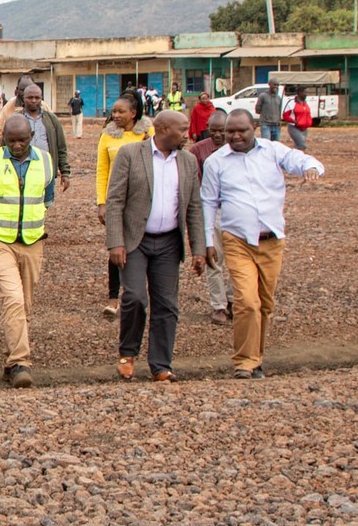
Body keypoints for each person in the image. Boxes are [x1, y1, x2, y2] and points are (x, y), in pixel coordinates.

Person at [199, 108, 324, 378]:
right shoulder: (216, 162)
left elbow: (298, 159)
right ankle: (244, 362)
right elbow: (208, 203)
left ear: (254, 127)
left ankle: (257, 357)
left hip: (271, 240)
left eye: (240, 130)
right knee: (246, 301)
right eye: (229, 131)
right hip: (237, 240)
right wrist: (208, 241)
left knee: (265, 304)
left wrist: (312, 168)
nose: (234, 136)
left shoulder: (272, 151)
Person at [106, 109, 205, 383]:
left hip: (169, 243)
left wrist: (198, 249)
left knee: (167, 304)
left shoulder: (187, 161)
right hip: (135, 241)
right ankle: (127, 353)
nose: (187, 134)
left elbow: (194, 208)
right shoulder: (130, 155)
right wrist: (115, 241)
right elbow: (114, 200)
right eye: (182, 129)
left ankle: (161, 365)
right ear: (163, 130)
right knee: (135, 297)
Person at [0, 113, 54, 387]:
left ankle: (11, 361)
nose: (17, 145)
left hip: (33, 242)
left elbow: (47, 197)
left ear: (31, 137)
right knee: (14, 299)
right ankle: (22, 362)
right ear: (3, 139)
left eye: (22, 140)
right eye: (11, 141)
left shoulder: (45, 161)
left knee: (26, 304)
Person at [94, 94, 152, 318]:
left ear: (134, 113)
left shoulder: (147, 134)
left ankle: (138, 295)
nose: (116, 115)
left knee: (142, 246)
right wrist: (102, 202)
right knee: (115, 247)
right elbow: (102, 170)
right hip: (116, 202)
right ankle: (113, 299)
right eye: (114, 112)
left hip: (142, 201)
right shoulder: (107, 136)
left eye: (121, 112)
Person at [0, 81, 71, 190]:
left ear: (41, 99)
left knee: (45, 203)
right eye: (30, 98)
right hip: (20, 171)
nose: (34, 101)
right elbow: (4, 147)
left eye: (37, 98)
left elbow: (61, 148)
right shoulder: (15, 120)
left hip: (46, 171)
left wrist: (65, 173)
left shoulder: (51, 120)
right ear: (23, 98)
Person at [189, 124, 230, 321]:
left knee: (239, 261)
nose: (218, 134)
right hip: (211, 211)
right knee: (214, 259)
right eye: (213, 130)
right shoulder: (199, 150)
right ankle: (219, 306)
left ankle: (233, 300)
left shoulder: (239, 150)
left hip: (236, 212)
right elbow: (194, 183)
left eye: (222, 130)